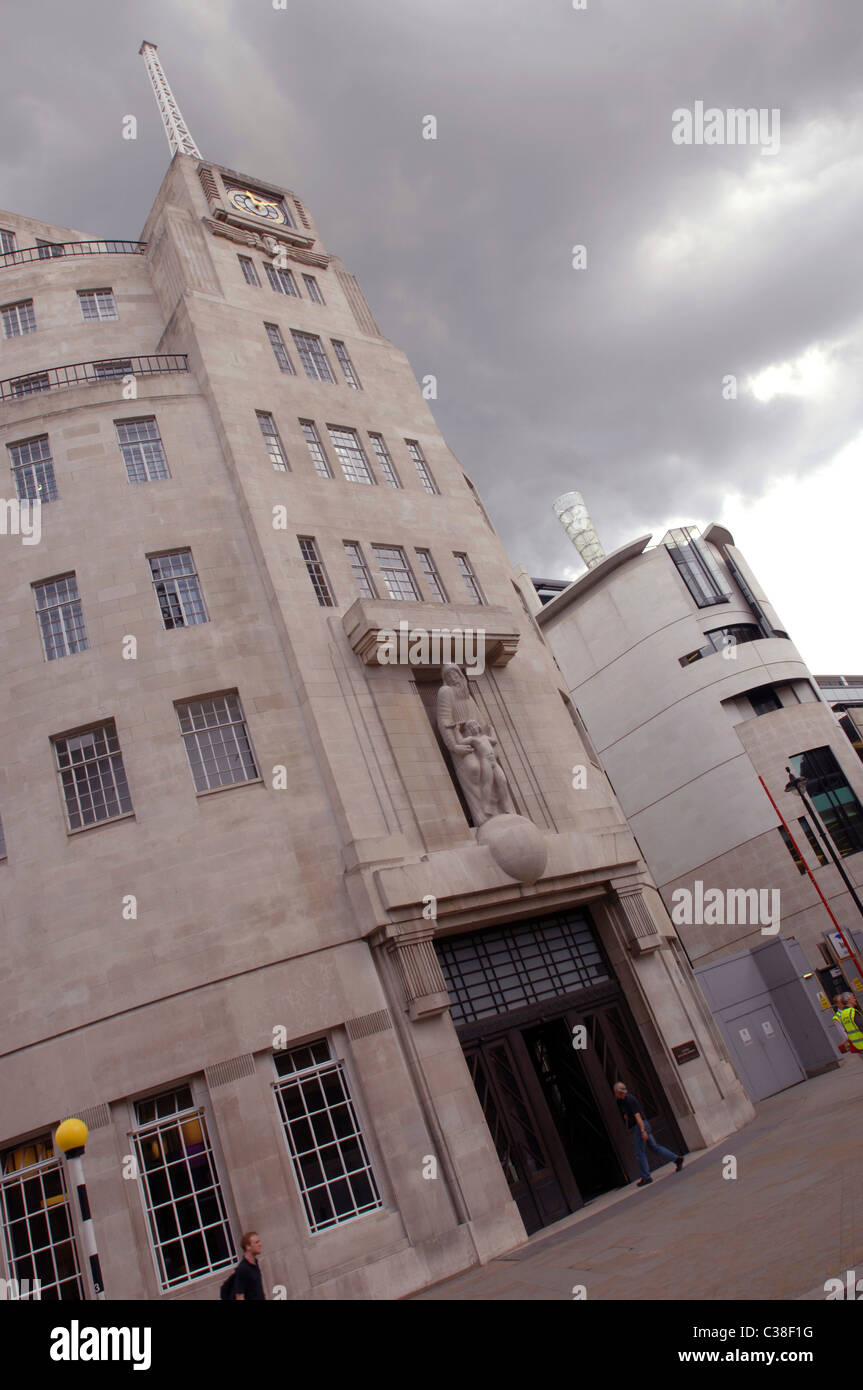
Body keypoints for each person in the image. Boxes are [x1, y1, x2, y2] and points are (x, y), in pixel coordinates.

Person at [613, 1081, 684, 1186]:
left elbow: (638, 1116)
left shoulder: (630, 1100)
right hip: (643, 1124)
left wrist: (642, 1131)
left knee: (640, 1152)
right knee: (655, 1147)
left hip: (640, 1126)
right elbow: (626, 1112)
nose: (615, 1094)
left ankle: (646, 1177)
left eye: (615, 1092)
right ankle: (676, 1159)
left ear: (619, 1092)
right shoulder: (622, 1101)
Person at [233, 1230, 265, 1300]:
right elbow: (239, 1296)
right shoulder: (242, 1269)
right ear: (248, 1247)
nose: (260, 1244)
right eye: (256, 1242)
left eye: (259, 1242)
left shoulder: (255, 1263)